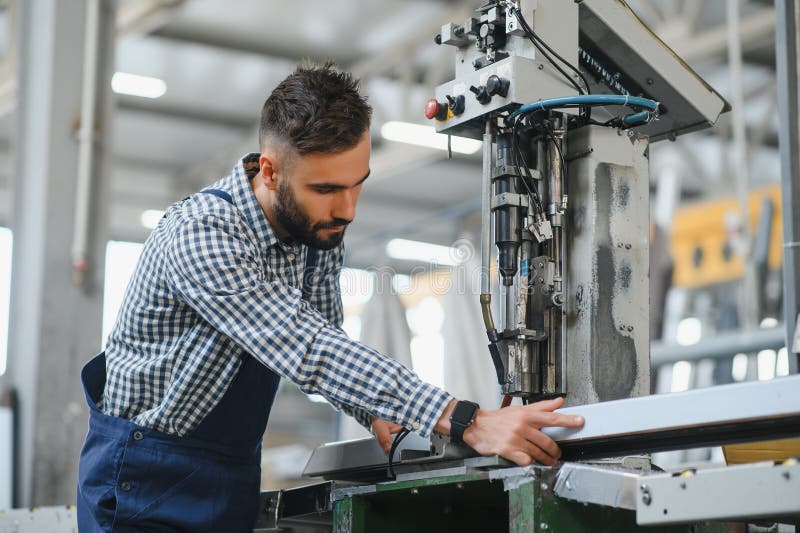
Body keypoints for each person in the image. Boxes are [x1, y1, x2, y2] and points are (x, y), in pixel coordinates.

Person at [76, 62, 584, 532]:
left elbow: (328, 336)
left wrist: (374, 410)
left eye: (356, 184)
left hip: (227, 474)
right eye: (326, 189)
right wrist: (466, 419)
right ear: (270, 172)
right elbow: (307, 348)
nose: (347, 210)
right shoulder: (203, 233)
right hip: (144, 479)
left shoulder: (316, 231)